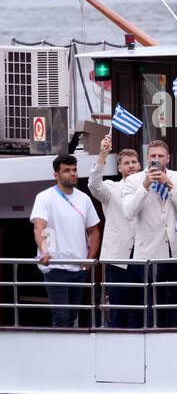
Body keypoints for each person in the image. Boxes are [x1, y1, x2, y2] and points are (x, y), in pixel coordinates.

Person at [124, 138, 177, 327]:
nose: (157, 159)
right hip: (150, 253)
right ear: (147, 158)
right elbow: (128, 212)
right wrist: (145, 186)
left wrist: (169, 184)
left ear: (168, 158)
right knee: (152, 306)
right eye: (153, 156)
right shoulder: (133, 181)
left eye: (160, 156)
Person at [30, 154, 100, 328]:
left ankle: (69, 352)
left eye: (74, 170)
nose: (72, 174)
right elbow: (39, 227)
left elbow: (94, 230)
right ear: (56, 175)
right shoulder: (44, 197)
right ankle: (59, 353)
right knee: (61, 315)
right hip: (55, 266)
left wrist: (89, 260)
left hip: (79, 267)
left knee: (72, 315)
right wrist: (44, 252)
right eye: (67, 170)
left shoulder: (84, 198)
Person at [89, 135, 143, 328]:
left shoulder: (150, 186)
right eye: (126, 163)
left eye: (134, 162)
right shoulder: (111, 188)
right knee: (120, 310)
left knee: (143, 312)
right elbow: (94, 185)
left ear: (140, 165)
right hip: (119, 258)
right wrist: (103, 154)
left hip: (145, 255)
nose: (131, 166)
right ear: (119, 168)